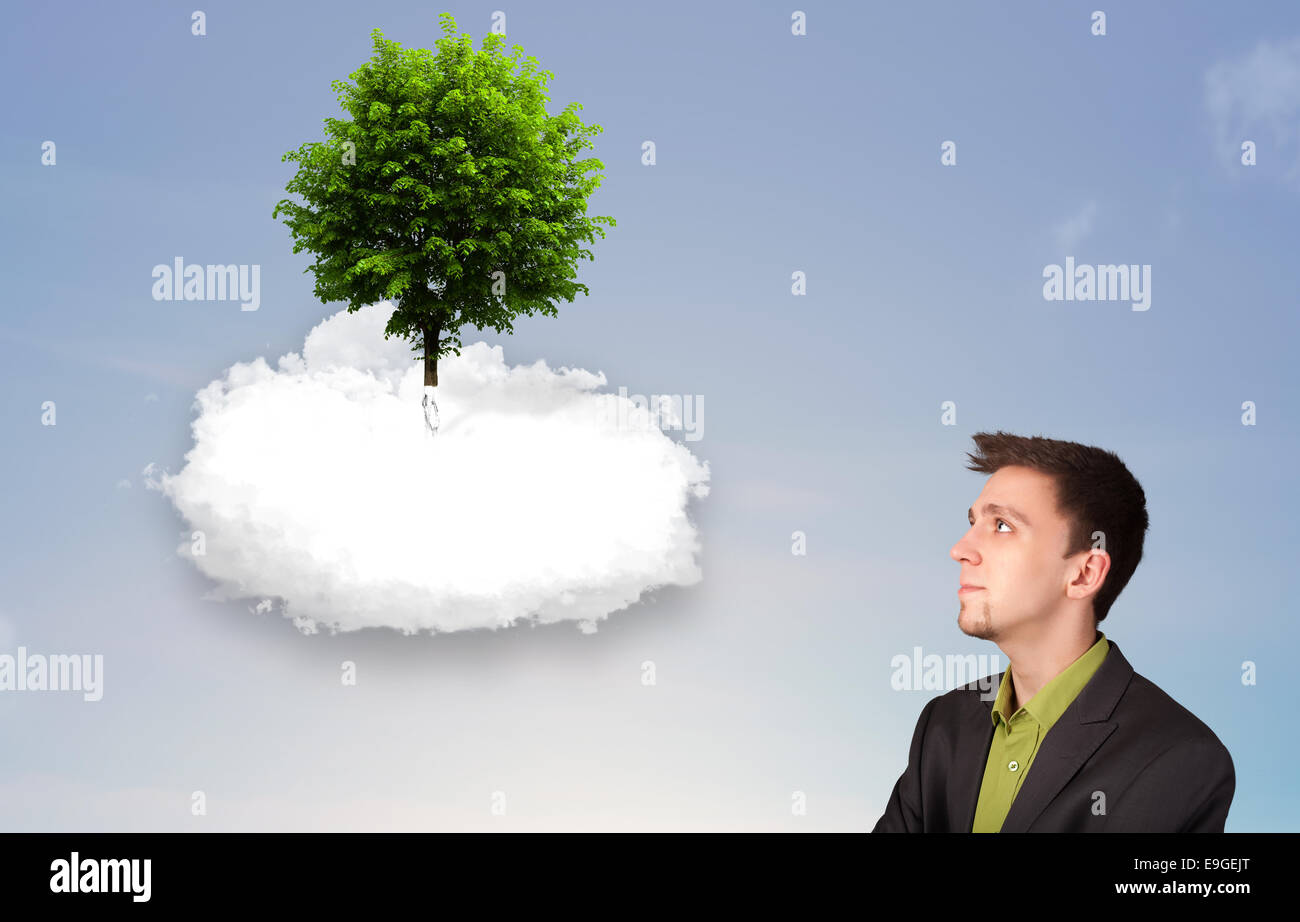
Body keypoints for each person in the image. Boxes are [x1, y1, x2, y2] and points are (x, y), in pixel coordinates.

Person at [873, 431, 1234, 833]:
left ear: (1083, 574)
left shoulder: (1178, 758)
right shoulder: (943, 724)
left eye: (1003, 526)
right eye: (973, 522)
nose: (960, 548)